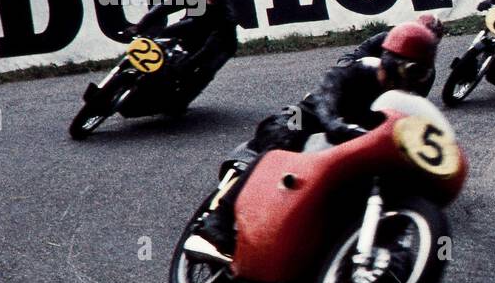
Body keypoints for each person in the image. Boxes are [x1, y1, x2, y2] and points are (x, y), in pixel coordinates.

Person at [184, 20, 441, 261]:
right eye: (410, 70)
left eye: (419, 73)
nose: (413, 79)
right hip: (305, 120)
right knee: (282, 143)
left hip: (350, 138)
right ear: (391, 60)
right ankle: (219, 217)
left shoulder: (410, 90)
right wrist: (335, 124)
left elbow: (412, 125)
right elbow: (325, 94)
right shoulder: (361, 69)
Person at [126, 0, 240, 109]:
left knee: (204, 70)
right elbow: (163, 8)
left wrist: (189, 64)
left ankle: (182, 101)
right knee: (163, 34)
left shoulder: (228, 14)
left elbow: (210, 47)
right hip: (197, 25)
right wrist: (139, 27)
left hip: (221, 44)